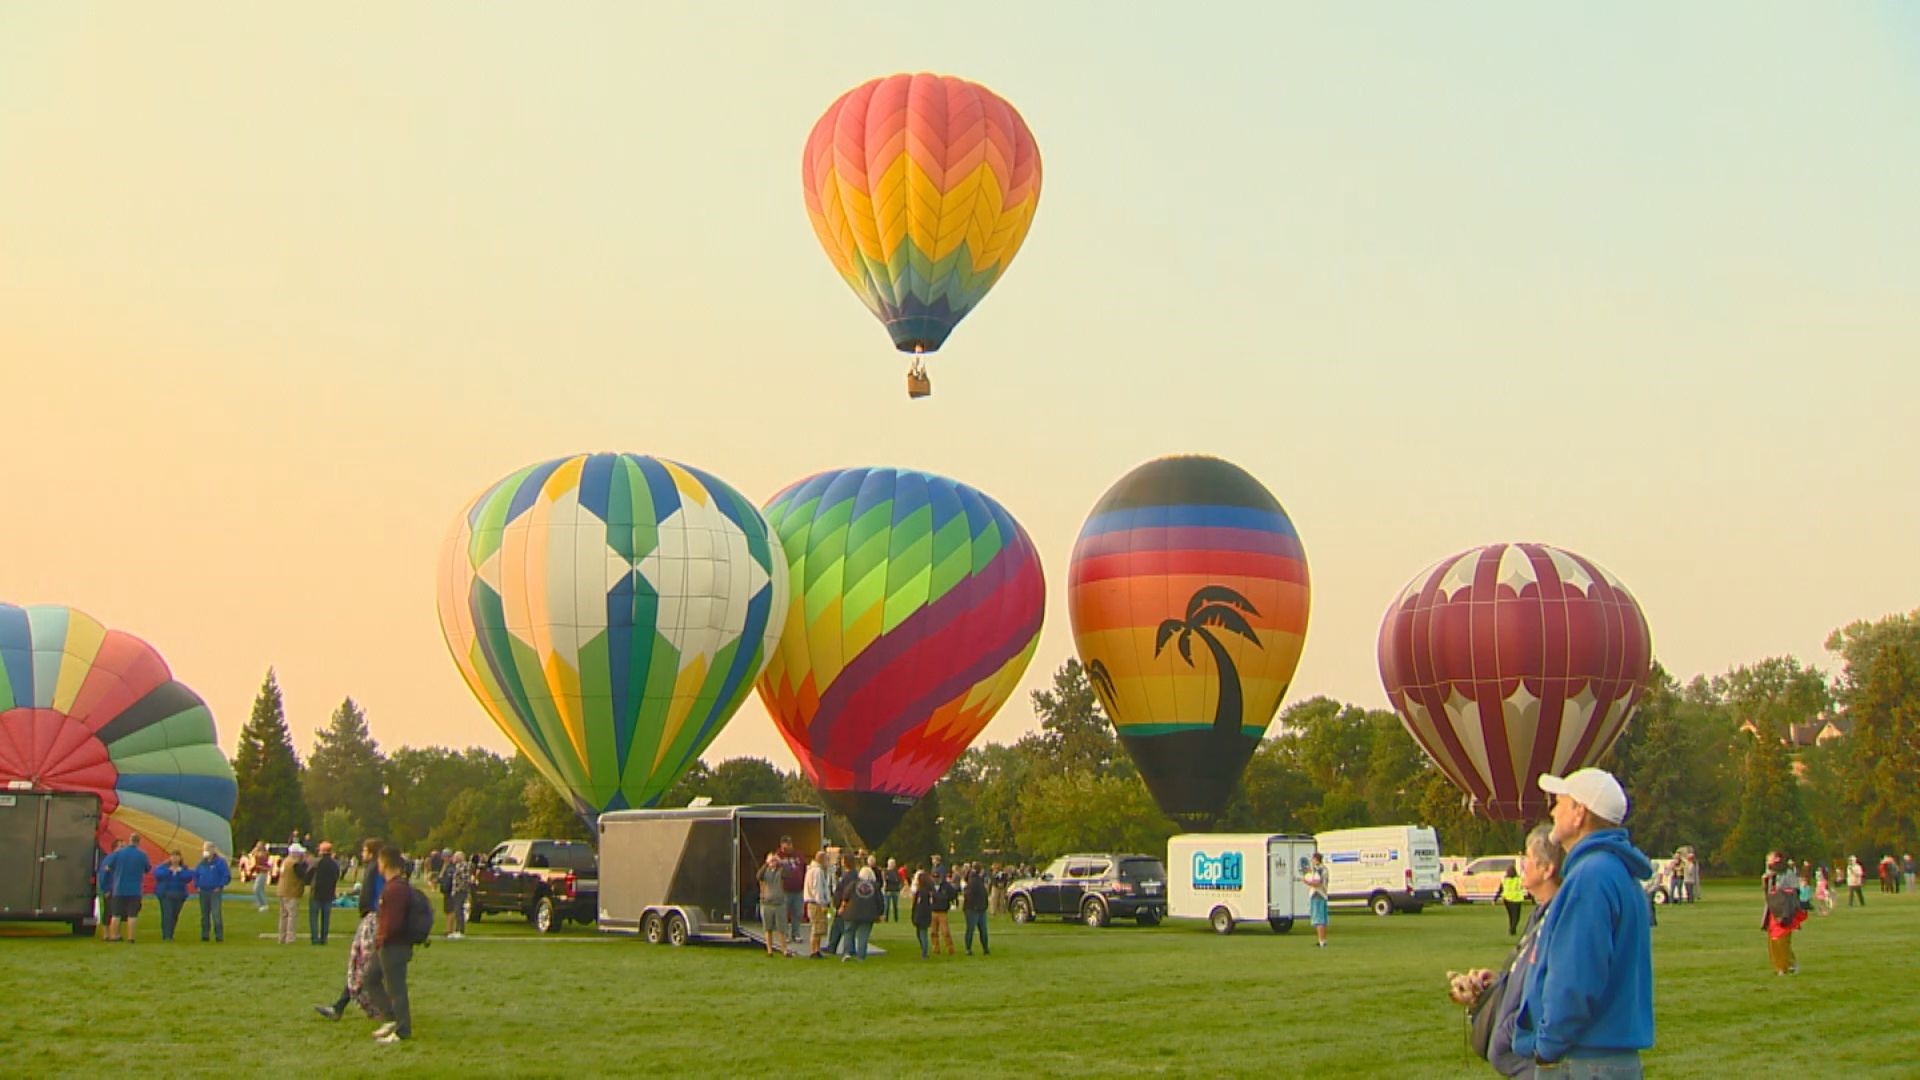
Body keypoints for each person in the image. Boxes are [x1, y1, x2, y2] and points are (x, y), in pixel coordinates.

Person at [1512, 768, 1654, 1075]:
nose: (1552, 809)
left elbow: (1575, 978)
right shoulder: (1616, 872)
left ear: (1579, 813)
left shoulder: (1590, 876)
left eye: (1560, 801)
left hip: (1584, 1061)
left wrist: (1547, 1046)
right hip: (1608, 1059)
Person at [1449, 824, 1566, 1078]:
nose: (1522, 864)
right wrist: (1499, 981)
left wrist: (1509, 1031)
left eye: (1529, 858)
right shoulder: (1540, 913)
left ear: (1547, 868)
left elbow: (1552, 986)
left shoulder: (1557, 918)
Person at [315, 839, 388, 1022]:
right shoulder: (379, 869)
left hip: (372, 920)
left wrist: (366, 912)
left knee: (363, 965)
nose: (362, 854)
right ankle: (340, 1006)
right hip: (374, 920)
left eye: (364, 850)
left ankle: (378, 1008)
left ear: (371, 852)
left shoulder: (374, 870)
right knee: (363, 966)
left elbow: (374, 896)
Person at [360, 846, 416, 1043]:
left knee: (396, 988)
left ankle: (402, 1031)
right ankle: (391, 1017)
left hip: (393, 945)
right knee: (369, 978)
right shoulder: (393, 886)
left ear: (385, 863)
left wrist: (381, 938)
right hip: (386, 944)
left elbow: (393, 922)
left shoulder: (396, 889)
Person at [99, 835, 151, 943]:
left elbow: (107, 868)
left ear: (129, 841)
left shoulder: (118, 854)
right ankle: (131, 938)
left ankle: (114, 936)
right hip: (135, 889)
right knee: (132, 915)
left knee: (115, 914)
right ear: (138, 842)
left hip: (119, 888)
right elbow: (147, 868)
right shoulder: (142, 855)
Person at [1763, 853, 1807, 975]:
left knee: (1782, 939)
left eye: (1770, 859)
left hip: (1785, 911)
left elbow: (1794, 891)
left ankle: (1786, 966)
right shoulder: (1769, 875)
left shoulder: (1787, 873)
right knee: (1774, 940)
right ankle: (1781, 966)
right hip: (1773, 911)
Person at [838, 863, 882, 961]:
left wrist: (842, 907)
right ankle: (861, 956)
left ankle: (847, 953)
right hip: (868, 914)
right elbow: (880, 901)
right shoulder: (875, 886)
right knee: (863, 935)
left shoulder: (854, 884)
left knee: (848, 932)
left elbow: (845, 896)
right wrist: (880, 913)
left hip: (852, 912)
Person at [776, 835, 807, 957]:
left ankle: (796, 933)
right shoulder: (778, 856)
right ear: (781, 845)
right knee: (784, 914)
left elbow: (804, 868)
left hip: (798, 890)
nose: (788, 847)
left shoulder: (798, 855)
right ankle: (786, 935)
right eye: (785, 845)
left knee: (798, 913)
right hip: (784, 890)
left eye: (789, 844)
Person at [192, 842, 230, 942]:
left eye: (209, 848)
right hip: (203, 891)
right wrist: (197, 885)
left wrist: (220, 885)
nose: (207, 851)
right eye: (205, 849)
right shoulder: (202, 863)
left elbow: (226, 875)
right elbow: (196, 874)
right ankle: (205, 935)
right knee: (204, 914)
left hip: (215, 891)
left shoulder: (220, 862)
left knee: (216, 914)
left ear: (213, 849)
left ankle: (219, 935)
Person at [152, 849, 192, 942]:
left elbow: (188, 877)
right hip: (166, 894)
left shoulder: (184, 868)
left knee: (175, 915)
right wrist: (170, 871)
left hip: (179, 895)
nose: (175, 859)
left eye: (177, 856)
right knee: (167, 914)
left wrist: (179, 872)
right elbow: (158, 875)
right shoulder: (163, 867)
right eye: (173, 856)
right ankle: (167, 935)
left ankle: (171, 932)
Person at [756, 851, 788, 958]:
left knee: (781, 929)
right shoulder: (765, 872)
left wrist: (781, 862)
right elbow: (758, 876)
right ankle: (769, 950)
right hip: (767, 904)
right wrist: (766, 864)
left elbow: (787, 873)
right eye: (771, 860)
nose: (773, 862)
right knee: (767, 928)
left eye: (774, 860)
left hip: (779, 904)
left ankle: (784, 950)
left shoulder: (781, 871)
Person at [277, 844, 310, 944]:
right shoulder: (294, 864)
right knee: (292, 916)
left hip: (282, 890)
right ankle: (290, 938)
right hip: (292, 891)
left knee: (283, 916)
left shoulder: (285, 861)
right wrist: (305, 863)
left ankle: (281, 937)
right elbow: (303, 875)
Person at [310, 842, 341, 945]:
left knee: (314, 917)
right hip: (329, 893)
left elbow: (309, 874)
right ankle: (324, 938)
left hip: (316, 893)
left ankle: (315, 938)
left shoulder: (316, 862)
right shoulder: (335, 864)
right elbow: (337, 876)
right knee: (326, 917)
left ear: (322, 851)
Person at [803, 850, 833, 958]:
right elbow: (818, 889)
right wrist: (822, 904)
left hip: (813, 903)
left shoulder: (812, 870)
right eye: (826, 860)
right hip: (816, 904)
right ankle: (813, 950)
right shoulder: (817, 872)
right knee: (816, 927)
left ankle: (817, 949)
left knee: (819, 927)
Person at [962, 863, 991, 956]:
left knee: (972, 929)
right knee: (979, 930)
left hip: (975, 908)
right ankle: (982, 948)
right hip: (975, 908)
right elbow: (978, 894)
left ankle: (969, 948)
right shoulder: (975, 880)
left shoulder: (973, 879)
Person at [927, 866, 957, 956]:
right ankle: (936, 949)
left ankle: (950, 949)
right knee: (933, 932)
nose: (936, 879)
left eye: (937, 877)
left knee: (945, 932)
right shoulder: (930, 886)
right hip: (932, 911)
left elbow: (953, 895)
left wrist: (948, 901)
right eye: (934, 877)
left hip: (943, 912)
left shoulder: (946, 886)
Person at [1304, 853, 1330, 947]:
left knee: (1318, 920)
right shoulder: (1325, 869)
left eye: (1312, 859)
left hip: (1317, 894)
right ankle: (1323, 940)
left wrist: (1306, 881)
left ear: (1316, 859)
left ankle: (1321, 941)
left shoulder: (1318, 869)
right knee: (1323, 920)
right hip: (1323, 895)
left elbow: (1317, 883)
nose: (1312, 861)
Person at [445, 851, 471, 940]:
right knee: (457, 911)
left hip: (460, 892)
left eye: (455, 857)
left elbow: (464, 880)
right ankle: (457, 930)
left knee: (459, 910)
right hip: (456, 891)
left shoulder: (463, 866)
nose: (453, 858)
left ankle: (460, 930)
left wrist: (458, 889)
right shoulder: (458, 866)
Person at [910, 869, 935, 958]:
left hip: (921, 915)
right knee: (920, 933)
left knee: (922, 933)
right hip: (924, 914)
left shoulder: (922, 892)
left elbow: (919, 905)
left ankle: (924, 952)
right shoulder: (927, 891)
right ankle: (923, 949)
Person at [1500, 862, 1526, 935]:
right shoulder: (1518, 880)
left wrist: (1495, 899)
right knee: (1516, 917)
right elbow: (1523, 887)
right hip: (1516, 900)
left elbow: (1500, 889)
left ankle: (1512, 930)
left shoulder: (1505, 880)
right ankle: (1512, 929)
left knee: (1511, 916)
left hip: (1507, 899)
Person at [245, 841, 271, 911]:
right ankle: (260, 903)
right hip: (260, 872)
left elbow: (257, 859)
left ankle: (263, 904)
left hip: (262, 872)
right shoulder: (258, 853)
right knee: (260, 889)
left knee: (256, 889)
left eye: (258, 845)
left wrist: (253, 853)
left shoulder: (263, 854)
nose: (257, 847)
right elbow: (251, 855)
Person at [882, 857, 902, 923]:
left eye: (894, 863)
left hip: (895, 891)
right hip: (888, 890)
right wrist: (893, 880)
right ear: (888, 864)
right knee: (887, 906)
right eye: (892, 863)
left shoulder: (896, 872)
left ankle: (896, 919)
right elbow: (886, 880)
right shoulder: (885, 871)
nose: (893, 864)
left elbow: (898, 880)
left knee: (895, 906)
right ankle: (885, 919)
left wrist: (892, 880)